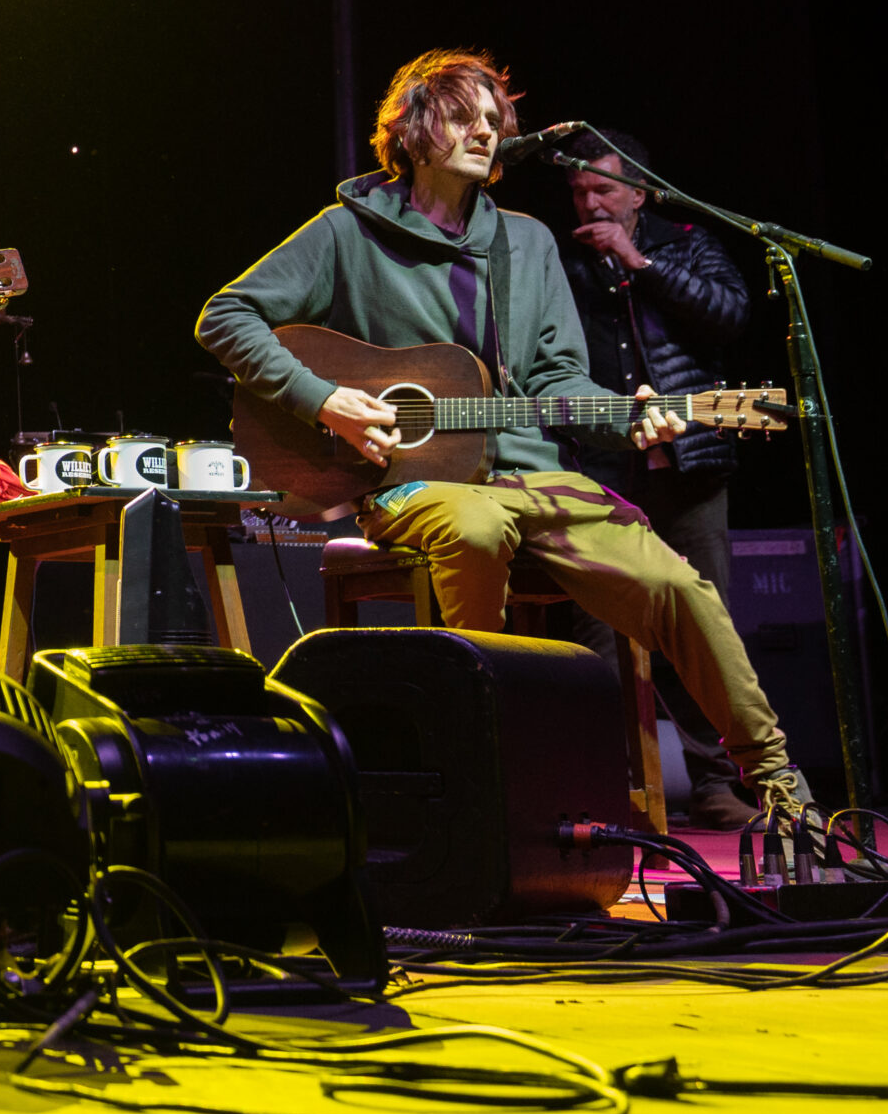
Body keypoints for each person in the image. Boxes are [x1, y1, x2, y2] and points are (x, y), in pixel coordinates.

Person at [195, 49, 816, 830]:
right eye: (465, 114)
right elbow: (225, 315)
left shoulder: (527, 243)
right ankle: (482, 779)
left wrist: (628, 416)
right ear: (416, 129)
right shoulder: (345, 234)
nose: (485, 130)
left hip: (536, 477)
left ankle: (782, 786)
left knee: (680, 586)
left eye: (495, 119)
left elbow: (559, 378)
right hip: (411, 484)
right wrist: (325, 400)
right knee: (477, 525)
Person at [561, 130, 756, 826]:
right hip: (601, 466)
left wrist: (637, 261)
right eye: (579, 191)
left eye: (604, 189)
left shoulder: (684, 241)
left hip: (690, 465)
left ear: (638, 191)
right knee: (601, 633)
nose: (589, 202)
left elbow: (731, 316)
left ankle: (715, 783)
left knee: (706, 624)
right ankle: (614, 787)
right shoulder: (559, 261)